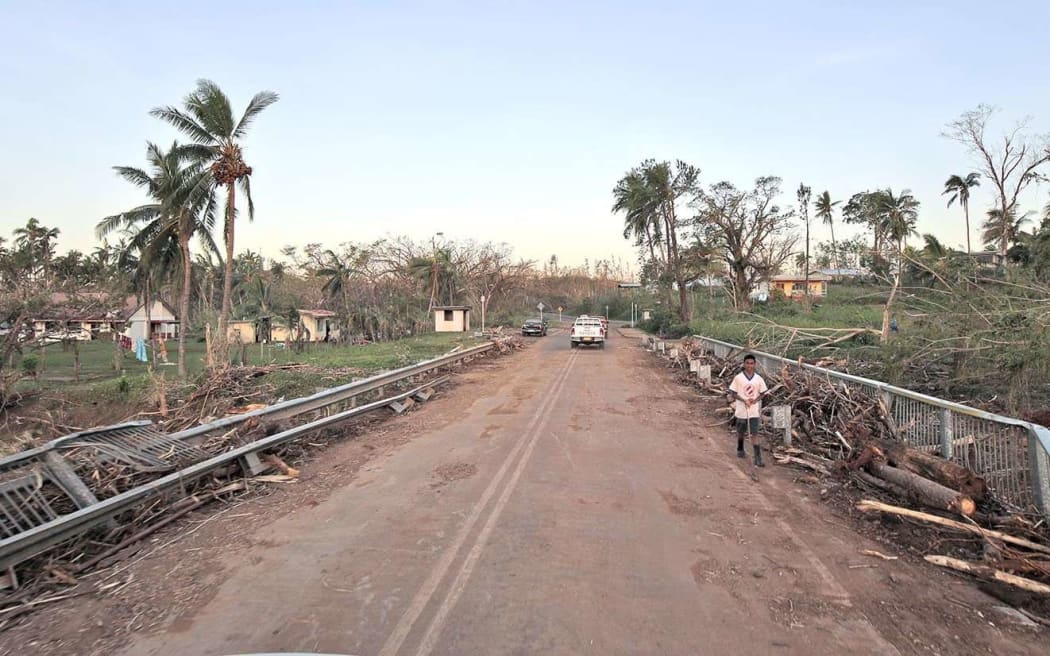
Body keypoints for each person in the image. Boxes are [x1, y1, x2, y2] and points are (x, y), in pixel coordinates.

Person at [728, 354, 769, 466]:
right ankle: (740, 448)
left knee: (754, 433)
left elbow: (763, 393)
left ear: (754, 364)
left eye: (752, 363)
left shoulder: (758, 379)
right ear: (744, 364)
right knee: (741, 431)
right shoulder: (738, 378)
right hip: (741, 410)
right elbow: (733, 393)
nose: (749, 365)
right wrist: (743, 400)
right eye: (747, 363)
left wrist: (755, 400)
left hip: (754, 411)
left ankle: (758, 458)